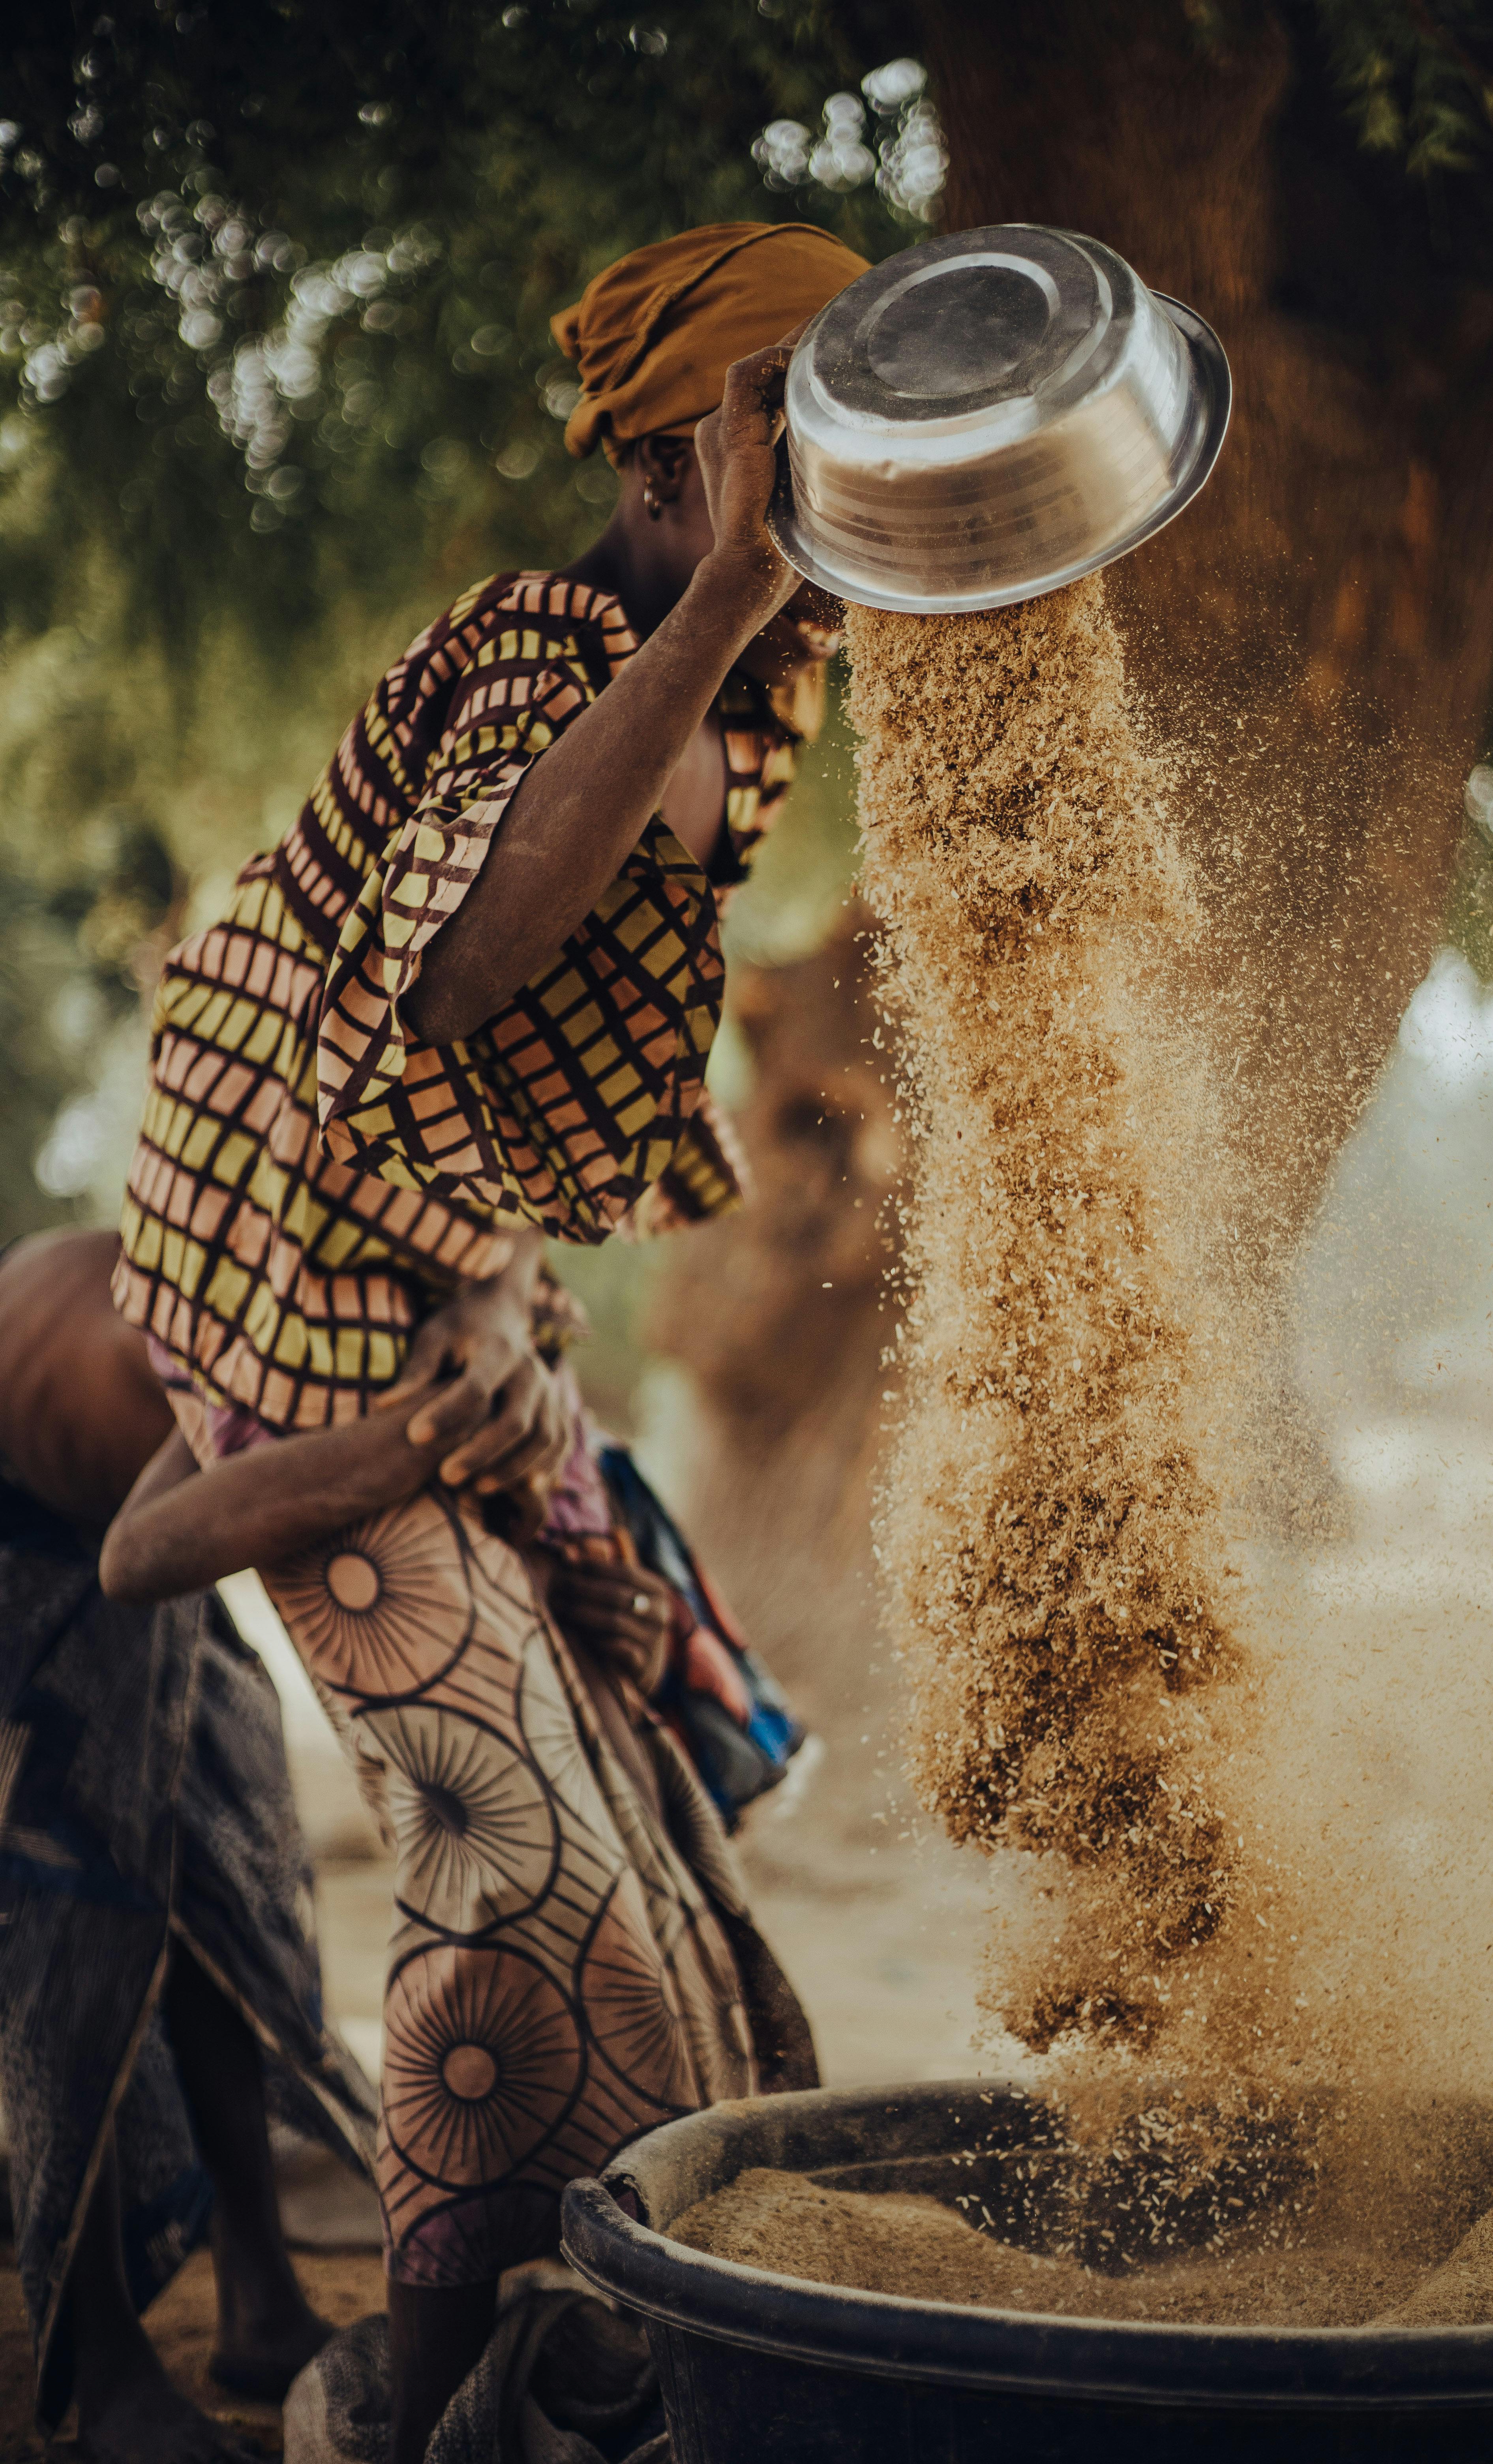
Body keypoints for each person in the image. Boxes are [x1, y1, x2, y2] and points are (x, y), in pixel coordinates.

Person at [107, 218, 864, 2462]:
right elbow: (447, 978)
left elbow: (522, 1070)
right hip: (299, 1297)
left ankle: (609, 2330)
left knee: (676, 1891)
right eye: (783, 471)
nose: (819, 524)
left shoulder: (747, 673)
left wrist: (508, 1289)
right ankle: (423, 2388)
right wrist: (728, 587)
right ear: (670, 482)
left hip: (431, 1269)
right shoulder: (561, 645)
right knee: (516, 1868)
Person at [0, 1225, 574, 2464]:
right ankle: (105, 2366)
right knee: (74, 1915)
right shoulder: (294, 1351)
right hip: (56, 1532)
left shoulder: (479, 1284)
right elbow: (144, 1554)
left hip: (164, 1508)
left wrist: (501, 1317)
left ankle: (259, 2293)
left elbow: (515, 1255)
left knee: (228, 1860)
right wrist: (411, 1435)